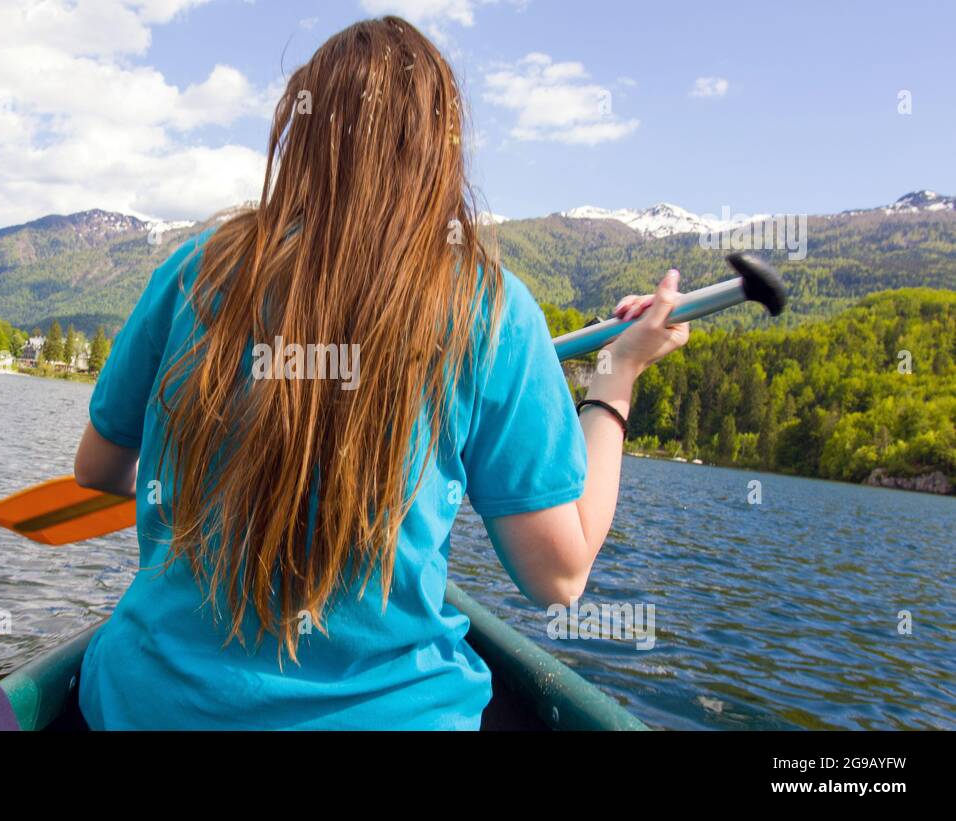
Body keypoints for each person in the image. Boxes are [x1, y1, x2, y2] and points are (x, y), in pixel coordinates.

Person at [71, 16, 689, 730]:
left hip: (141, 706)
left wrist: (201, 485)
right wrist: (615, 378)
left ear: (302, 133)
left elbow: (98, 467)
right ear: (439, 153)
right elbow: (561, 576)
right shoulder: (491, 311)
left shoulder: (196, 270)